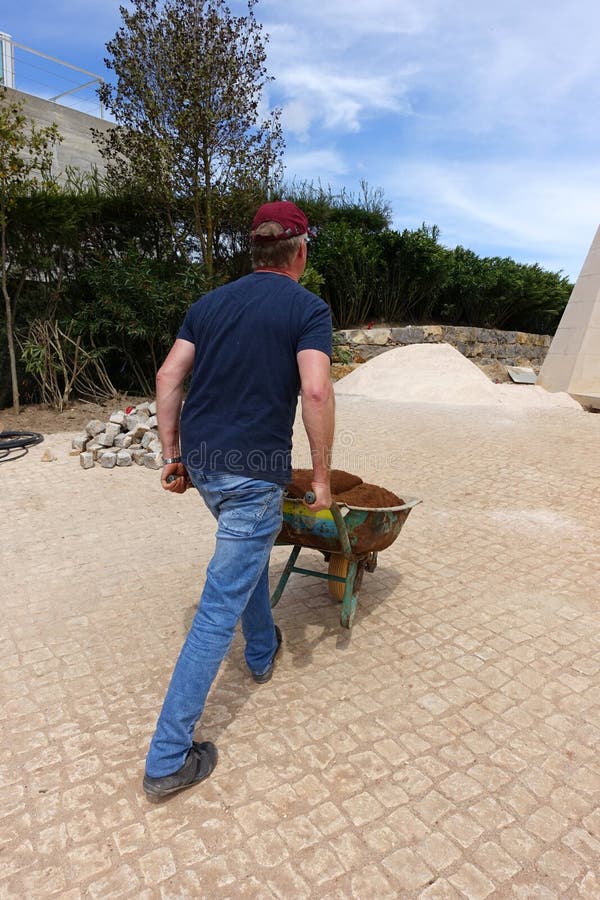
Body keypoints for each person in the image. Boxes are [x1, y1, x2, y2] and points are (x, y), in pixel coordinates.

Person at [143, 201, 334, 800]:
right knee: (215, 608)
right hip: (255, 476)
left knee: (244, 558)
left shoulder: (209, 304)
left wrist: (173, 453)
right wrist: (322, 481)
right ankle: (167, 759)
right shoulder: (308, 308)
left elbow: (168, 378)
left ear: (255, 251)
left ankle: (260, 651)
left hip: (205, 466)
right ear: (300, 251)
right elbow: (316, 389)